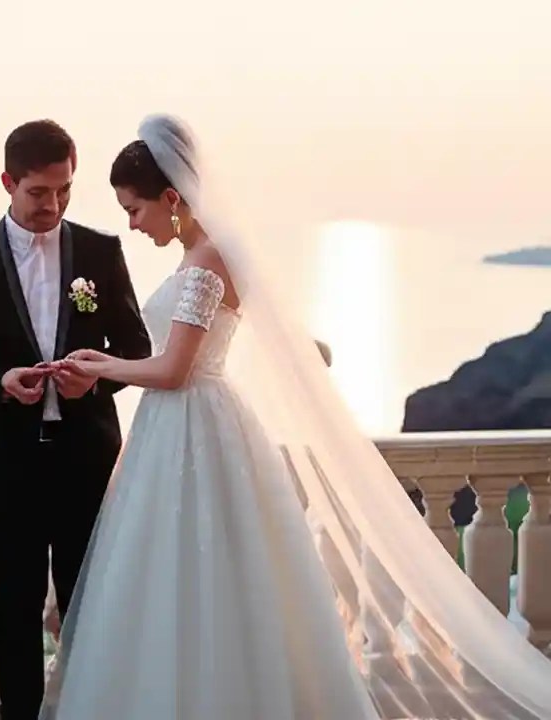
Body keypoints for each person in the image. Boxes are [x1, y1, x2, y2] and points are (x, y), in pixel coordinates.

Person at [38, 114, 551, 719]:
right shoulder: (203, 254)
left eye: (135, 208)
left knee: (201, 580)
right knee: (184, 582)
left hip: (191, 424)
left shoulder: (206, 262)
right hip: (181, 429)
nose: (132, 223)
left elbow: (175, 369)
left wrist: (101, 367)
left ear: (171, 199)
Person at [0, 118, 151, 719]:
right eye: (39, 192)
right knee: (16, 615)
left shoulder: (101, 252)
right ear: (8, 182)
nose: (53, 204)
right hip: (9, 468)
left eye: (64, 190)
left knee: (90, 612)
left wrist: (96, 376)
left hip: (88, 464)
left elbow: (136, 347)